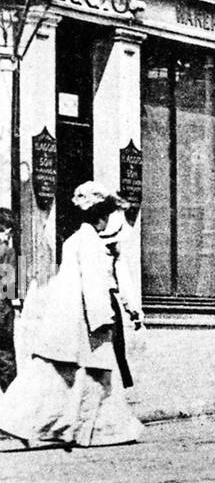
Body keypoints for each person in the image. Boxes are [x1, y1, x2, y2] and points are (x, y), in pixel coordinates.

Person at [0, 182, 143, 449]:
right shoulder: (90, 243)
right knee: (86, 379)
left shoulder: (74, 240)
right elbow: (93, 286)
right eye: (108, 215)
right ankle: (101, 430)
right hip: (83, 323)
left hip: (66, 322)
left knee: (77, 379)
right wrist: (104, 319)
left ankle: (88, 429)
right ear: (100, 217)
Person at [0, 208, 15, 392]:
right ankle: (11, 394)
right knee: (5, 355)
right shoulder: (9, 251)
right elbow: (9, 287)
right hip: (2, 308)